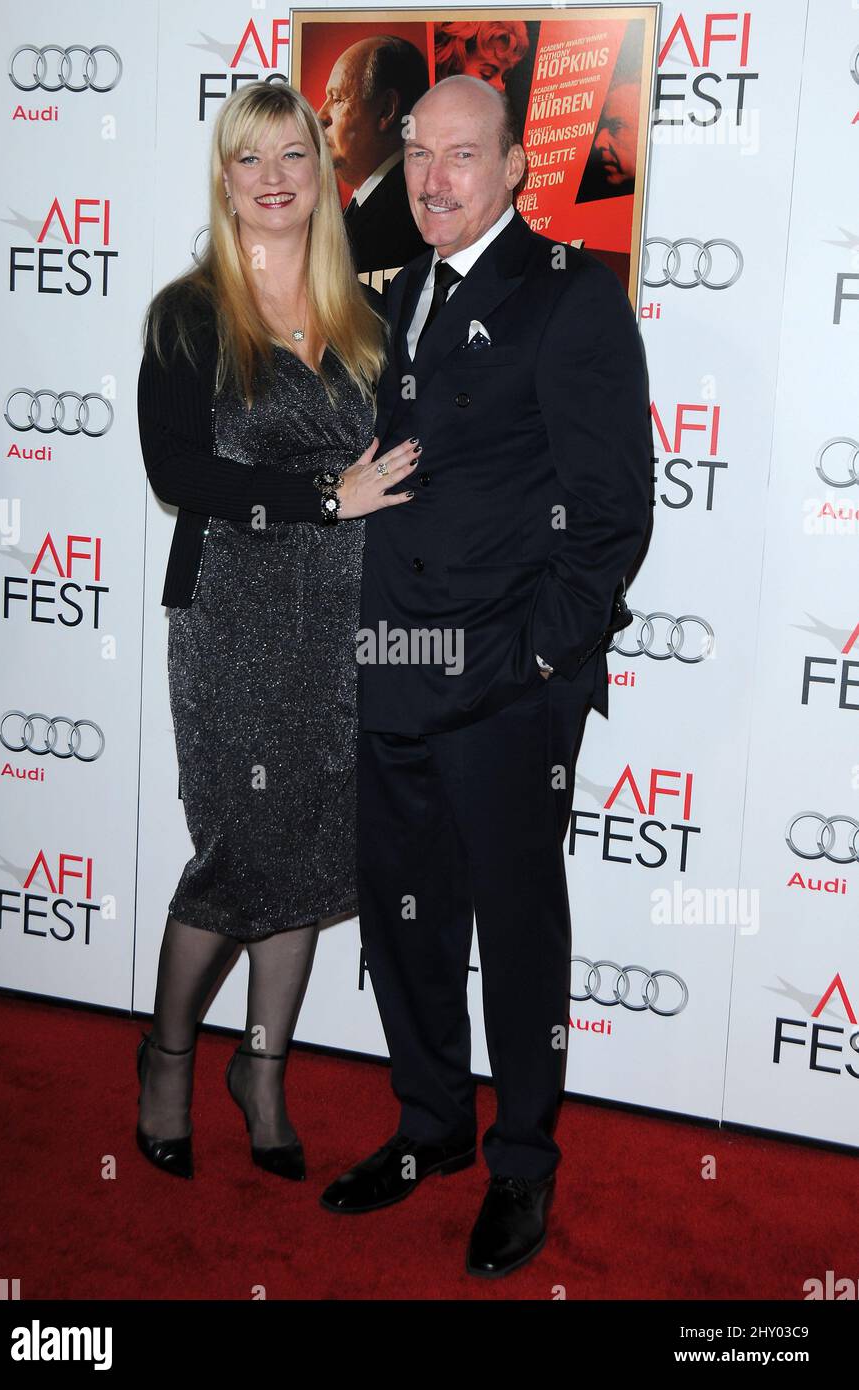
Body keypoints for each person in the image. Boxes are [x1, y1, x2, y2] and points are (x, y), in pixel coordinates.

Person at [319, 75, 651, 1277]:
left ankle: (521, 1162)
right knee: (407, 918)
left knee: (514, 931)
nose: (433, 177)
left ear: (515, 167)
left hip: (507, 685)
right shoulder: (397, 290)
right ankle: (429, 1126)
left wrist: (539, 658)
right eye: (417, 152)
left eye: (463, 155)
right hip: (392, 663)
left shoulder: (571, 298)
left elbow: (611, 513)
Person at [135, 81, 418, 1182]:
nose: (272, 180)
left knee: (306, 848)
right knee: (237, 850)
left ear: (323, 171)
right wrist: (318, 500)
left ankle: (261, 1066)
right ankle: (167, 1059)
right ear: (225, 179)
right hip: (233, 616)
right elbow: (178, 473)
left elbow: (398, 465)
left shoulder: (368, 316)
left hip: (340, 621)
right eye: (248, 160)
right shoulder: (189, 312)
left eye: (292, 156)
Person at [318, 35, 429, 275]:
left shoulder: (405, 219)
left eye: (337, 99)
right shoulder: (366, 205)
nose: (321, 116)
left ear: (386, 110)